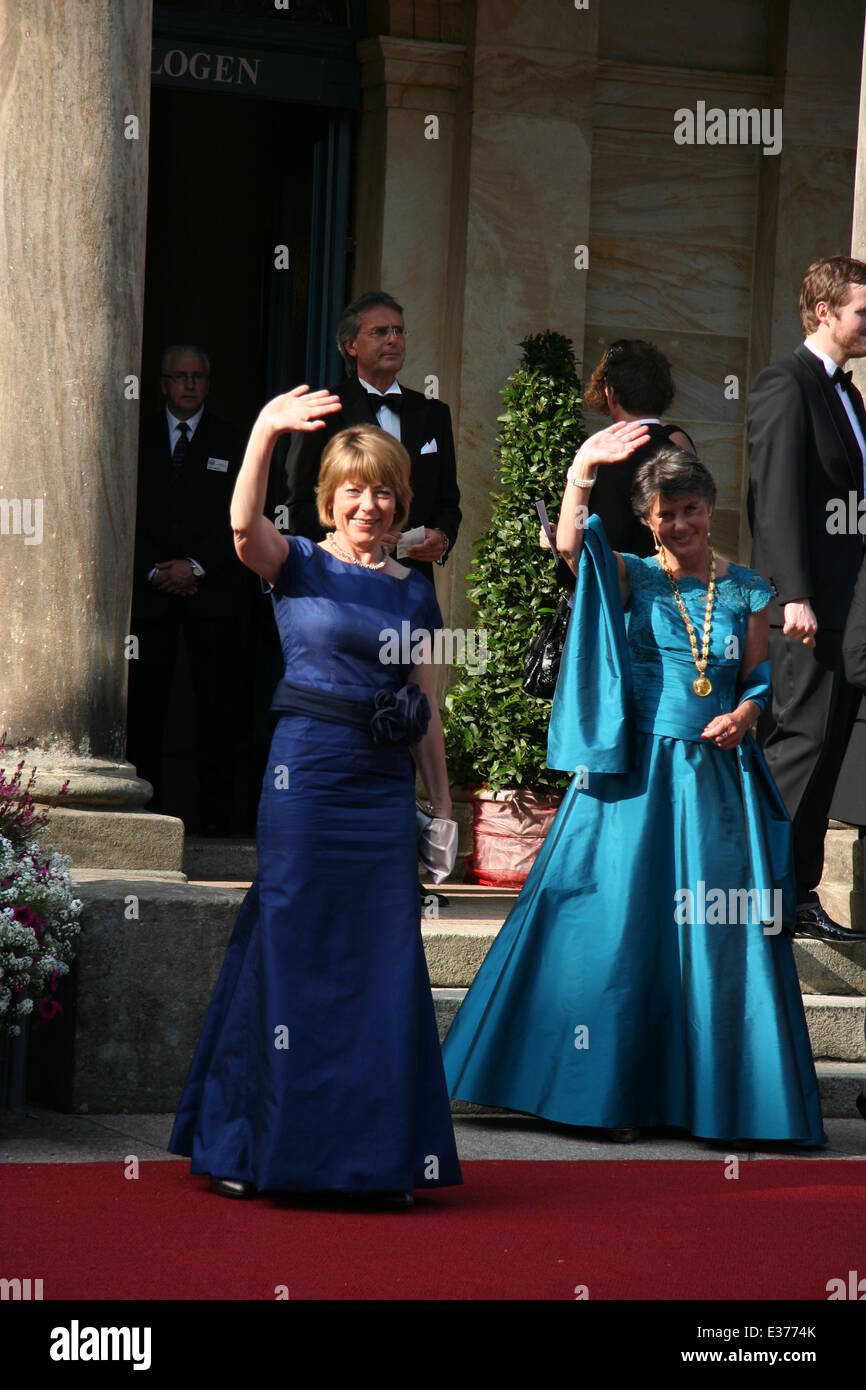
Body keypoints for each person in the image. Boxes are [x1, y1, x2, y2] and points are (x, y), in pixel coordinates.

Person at [442, 425, 825, 1147]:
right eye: (665, 514)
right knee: (619, 925)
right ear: (649, 522)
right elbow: (565, 548)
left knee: (713, 937)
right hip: (636, 777)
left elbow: (758, 679)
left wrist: (745, 714)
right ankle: (607, 1097)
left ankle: (719, 1101)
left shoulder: (747, 588)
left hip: (715, 783)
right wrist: (584, 469)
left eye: (691, 510)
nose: (680, 523)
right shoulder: (633, 575)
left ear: (711, 509)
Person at [168, 390, 462, 1204]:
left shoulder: (415, 590)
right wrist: (261, 429)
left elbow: (425, 705)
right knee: (288, 947)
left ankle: (379, 1158)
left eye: (385, 492)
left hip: (379, 789)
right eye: (354, 492)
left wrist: (442, 806)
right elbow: (238, 530)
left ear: (401, 500)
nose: (370, 505)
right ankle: (248, 1142)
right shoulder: (295, 559)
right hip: (305, 780)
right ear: (328, 500)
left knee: (383, 959)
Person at [747, 257, 866, 944]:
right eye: (861, 311)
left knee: (828, 749)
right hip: (806, 606)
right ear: (824, 312)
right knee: (800, 743)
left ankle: (798, 895)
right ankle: (764, 891)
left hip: (849, 609)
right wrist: (791, 593)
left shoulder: (848, 395)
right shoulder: (783, 385)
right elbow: (777, 496)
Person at [127, 345, 247, 834]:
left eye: (198, 376)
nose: (189, 385)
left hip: (212, 596)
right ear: (162, 384)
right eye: (180, 377)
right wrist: (151, 570)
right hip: (148, 599)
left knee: (217, 708)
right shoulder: (135, 436)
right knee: (143, 707)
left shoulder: (231, 439)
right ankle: (139, 816)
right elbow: (115, 510)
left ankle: (217, 819)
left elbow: (246, 513)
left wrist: (196, 566)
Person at [281, 291, 462, 584]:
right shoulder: (322, 410)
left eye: (398, 331)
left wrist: (441, 538)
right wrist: (357, 542)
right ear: (351, 346)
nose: (393, 339)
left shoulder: (434, 412)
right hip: (342, 578)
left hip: (413, 583)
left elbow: (448, 501)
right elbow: (296, 507)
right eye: (379, 332)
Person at [538, 338, 695, 572]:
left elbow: (571, 547)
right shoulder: (683, 457)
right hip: (678, 600)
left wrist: (566, 528)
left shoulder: (605, 461)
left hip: (621, 602)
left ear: (611, 395)